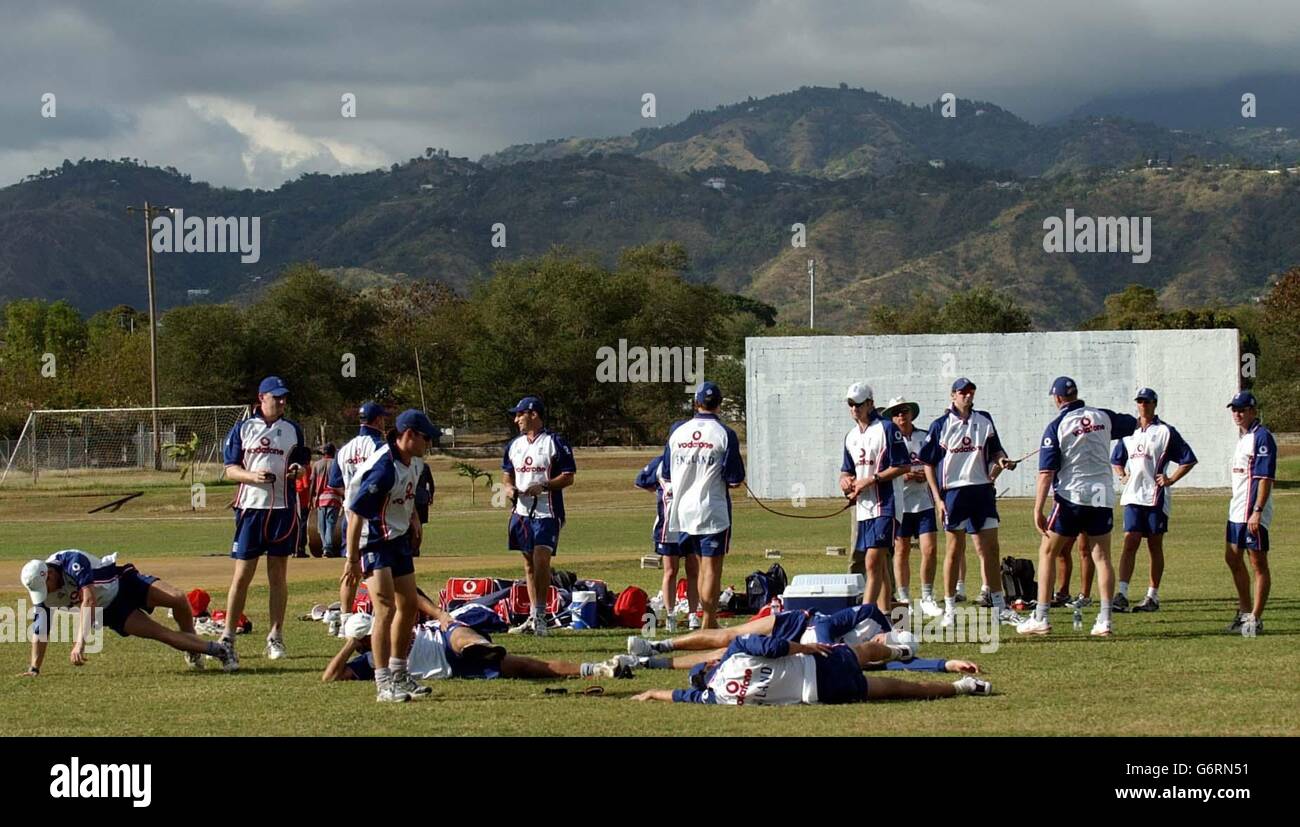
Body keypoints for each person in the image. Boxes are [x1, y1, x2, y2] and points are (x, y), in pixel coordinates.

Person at [1017, 377, 1137, 637]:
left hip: (1072, 496)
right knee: (1102, 556)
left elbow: (1046, 473)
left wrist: (1037, 508)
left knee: (1048, 551)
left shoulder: (1056, 425)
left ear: (1058, 398)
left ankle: (1041, 616)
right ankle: (1105, 620)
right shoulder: (1102, 416)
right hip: (1101, 495)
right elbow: (1132, 422)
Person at [322, 595, 630, 689]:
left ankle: (477, 647)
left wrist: (441, 616)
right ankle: (595, 669)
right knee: (524, 666)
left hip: (444, 639)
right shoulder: (369, 664)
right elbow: (330, 677)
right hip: (454, 668)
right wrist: (349, 645)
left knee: (457, 635)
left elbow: (410, 594)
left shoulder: (395, 631)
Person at [341, 409, 437, 702]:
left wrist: (413, 520)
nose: (428, 444)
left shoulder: (415, 463)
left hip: (396, 540)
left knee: (408, 605)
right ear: (408, 434)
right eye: (425, 438)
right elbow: (356, 514)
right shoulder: (383, 468)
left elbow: (404, 498)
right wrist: (352, 558)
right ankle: (383, 683)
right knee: (384, 608)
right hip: (373, 541)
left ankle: (399, 673)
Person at [19, 550, 232, 675]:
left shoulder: (71, 560)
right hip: (112, 611)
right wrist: (34, 669)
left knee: (178, 598)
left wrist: (80, 643)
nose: (45, 594)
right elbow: (41, 630)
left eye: (45, 587)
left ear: (49, 575)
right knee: (162, 634)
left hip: (124, 582)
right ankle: (220, 650)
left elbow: (89, 600)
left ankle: (192, 647)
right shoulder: (43, 594)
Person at [629, 632, 991, 706]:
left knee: (896, 688)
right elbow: (771, 645)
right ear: (710, 665)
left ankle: (965, 687)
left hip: (819, 695)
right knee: (865, 650)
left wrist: (651, 693)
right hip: (817, 666)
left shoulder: (718, 698)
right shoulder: (735, 654)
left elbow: (681, 697)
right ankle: (900, 647)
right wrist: (806, 646)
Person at [220, 375, 307, 671]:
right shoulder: (243, 428)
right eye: (276, 397)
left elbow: (301, 462)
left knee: (278, 577)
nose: (281, 402)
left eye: (284, 398)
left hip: (283, 509)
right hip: (250, 510)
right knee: (242, 575)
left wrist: (297, 470)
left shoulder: (292, 429)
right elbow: (230, 470)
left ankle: (275, 635)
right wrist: (251, 476)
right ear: (262, 398)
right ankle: (228, 636)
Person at [918, 378, 1021, 628]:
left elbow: (996, 451)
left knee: (991, 549)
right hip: (954, 492)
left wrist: (1003, 461)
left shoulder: (984, 419)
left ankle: (999, 606)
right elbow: (928, 463)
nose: (967, 396)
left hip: (982, 491)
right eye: (962, 392)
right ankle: (951, 606)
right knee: (955, 549)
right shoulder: (941, 425)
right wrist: (938, 498)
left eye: (970, 392)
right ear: (953, 395)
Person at [661, 381, 745, 630]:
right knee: (711, 568)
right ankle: (709, 621)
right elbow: (735, 478)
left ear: (696, 403)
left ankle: (703, 616)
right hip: (711, 508)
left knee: (696, 565)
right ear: (719, 405)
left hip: (682, 510)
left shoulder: (677, 431)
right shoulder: (724, 433)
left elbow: (666, 471)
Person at [1110, 387, 1198, 612]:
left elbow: (1188, 459)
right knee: (1130, 541)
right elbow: (1116, 459)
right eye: (1140, 401)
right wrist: (1121, 475)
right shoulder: (1129, 433)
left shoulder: (1166, 432)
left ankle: (1152, 595)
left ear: (1154, 404)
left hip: (1155, 497)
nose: (1143, 405)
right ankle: (1122, 593)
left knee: (1154, 545)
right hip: (1133, 496)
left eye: (1147, 401)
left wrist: (1170, 479)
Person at [501, 396, 576, 637]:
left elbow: (568, 476)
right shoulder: (514, 445)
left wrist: (543, 485)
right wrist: (509, 489)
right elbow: (506, 474)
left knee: (542, 560)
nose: (516, 420)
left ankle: (541, 616)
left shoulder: (555, 442)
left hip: (547, 511)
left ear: (533, 414)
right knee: (528, 564)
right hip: (521, 512)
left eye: (519, 414)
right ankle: (533, 616)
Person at [837, 384, 910, 608]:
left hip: (886, 504)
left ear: (870, 403)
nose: (854, 409)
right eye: (851, 404)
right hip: (863, 507)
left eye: (859, 404)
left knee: (872, 561)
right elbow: (846, 469)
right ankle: (886, 613)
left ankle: (864, 616)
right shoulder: (850, 436)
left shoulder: (887, 428)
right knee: (879, 566)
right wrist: (845, 481)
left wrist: (873, 479)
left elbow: (903, 465)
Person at [1223, 391, 1276, 637]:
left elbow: (1265, 478)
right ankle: (1244, 611)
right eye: (1234, 409)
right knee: (1232, 558)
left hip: (1252, 512)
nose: (1237, 414)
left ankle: (1255, 617)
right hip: (1236, 510)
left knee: (1257, 562)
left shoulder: (1262, 437)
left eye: (1242, 409)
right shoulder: (1242, 438)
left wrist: (1258, 510)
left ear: (1253, 411)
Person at [329, 403, 388, 620]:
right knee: (379, 567)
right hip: (373, 517)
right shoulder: (380, 447)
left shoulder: (344, 449)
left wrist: (351, 496)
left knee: (350, 566)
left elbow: (334, 482)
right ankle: (378, 616)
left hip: (349, 515)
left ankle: (345, 618)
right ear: (378, 420)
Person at [882, 396, 939, 615]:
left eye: (904, 411)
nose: (901, 416)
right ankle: (904, 598)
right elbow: (886, 469)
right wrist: (903, 476)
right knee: (902, 550)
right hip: (900, 503)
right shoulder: (888, 440)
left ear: (911, 414)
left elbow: (933, 463)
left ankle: (927, 596)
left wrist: (925, 475)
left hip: (923, 502)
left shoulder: (924, 437)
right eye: (896, 413)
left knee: (930, 549)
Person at [635, 454, 696, 631]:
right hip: (667, 527)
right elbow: (641, 480)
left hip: (691, 524)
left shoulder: (692, 457)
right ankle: (670, 615)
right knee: (671, 571)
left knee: (693, 570)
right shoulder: (661, 462)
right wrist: (660, 493)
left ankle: (693, 614)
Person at [311, 443, 343, 558]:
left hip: (321, 499)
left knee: (322, 526)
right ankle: (327, 548)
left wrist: (311, 499)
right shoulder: (336, 464)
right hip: (334, 498)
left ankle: (326, 547)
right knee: (330, 524)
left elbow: (312, 484)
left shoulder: (316, 464)